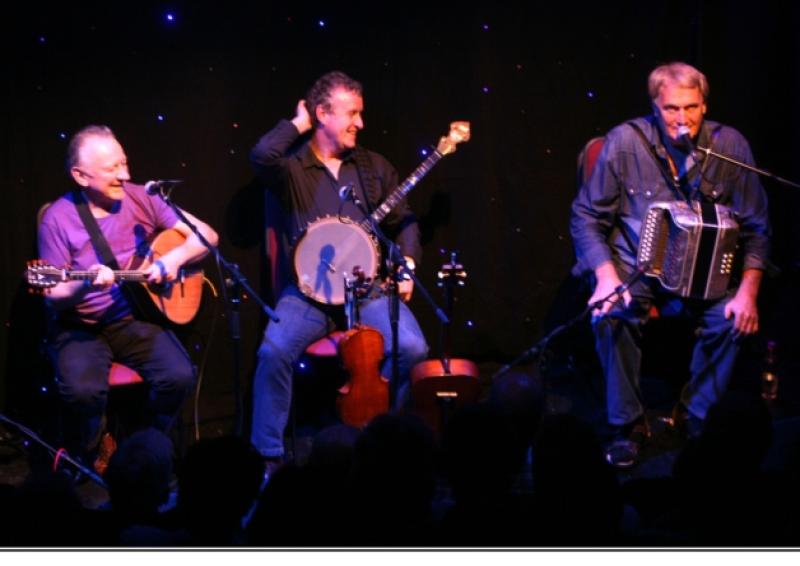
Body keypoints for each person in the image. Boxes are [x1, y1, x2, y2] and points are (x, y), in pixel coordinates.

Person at [570, 62, 770, 468]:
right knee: (610, 316)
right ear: (655, 107)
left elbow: (758, 227)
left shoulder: (731, 147)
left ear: (704, 105)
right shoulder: (625, 143)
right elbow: (586, 217)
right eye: (672, 109)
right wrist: (606, 277)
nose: (683, 119)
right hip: (637, 267)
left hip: (706, 271)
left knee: (732, 319)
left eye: (692, 107)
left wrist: (749, 290)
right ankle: (626, 425)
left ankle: (697, 416)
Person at [249, 70, 429, 464]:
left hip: (367, 291)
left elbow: (405, 220)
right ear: (323, 114)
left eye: (361, 114)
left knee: (414, 348)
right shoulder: (291, 168)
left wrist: (408, 263)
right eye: (353, 114)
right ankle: (266, 458)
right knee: (273, 353)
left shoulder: (373, 167)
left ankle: (386, 436)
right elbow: (261, 155)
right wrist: (297, 123)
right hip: (309, 295)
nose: (361, 124)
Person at [38, 124, 219, 469]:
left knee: (179, 375)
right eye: (112, 169)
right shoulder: (57, 220)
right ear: (80, 175)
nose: (126, 174)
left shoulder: (142, 196)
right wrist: (84, 284)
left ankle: (145, 444)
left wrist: (172, 259)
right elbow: (53, 295)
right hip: (81, 324)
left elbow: (207, 235)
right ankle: (98, 444)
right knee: (82, 391)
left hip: (132, 318)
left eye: (124, 163)